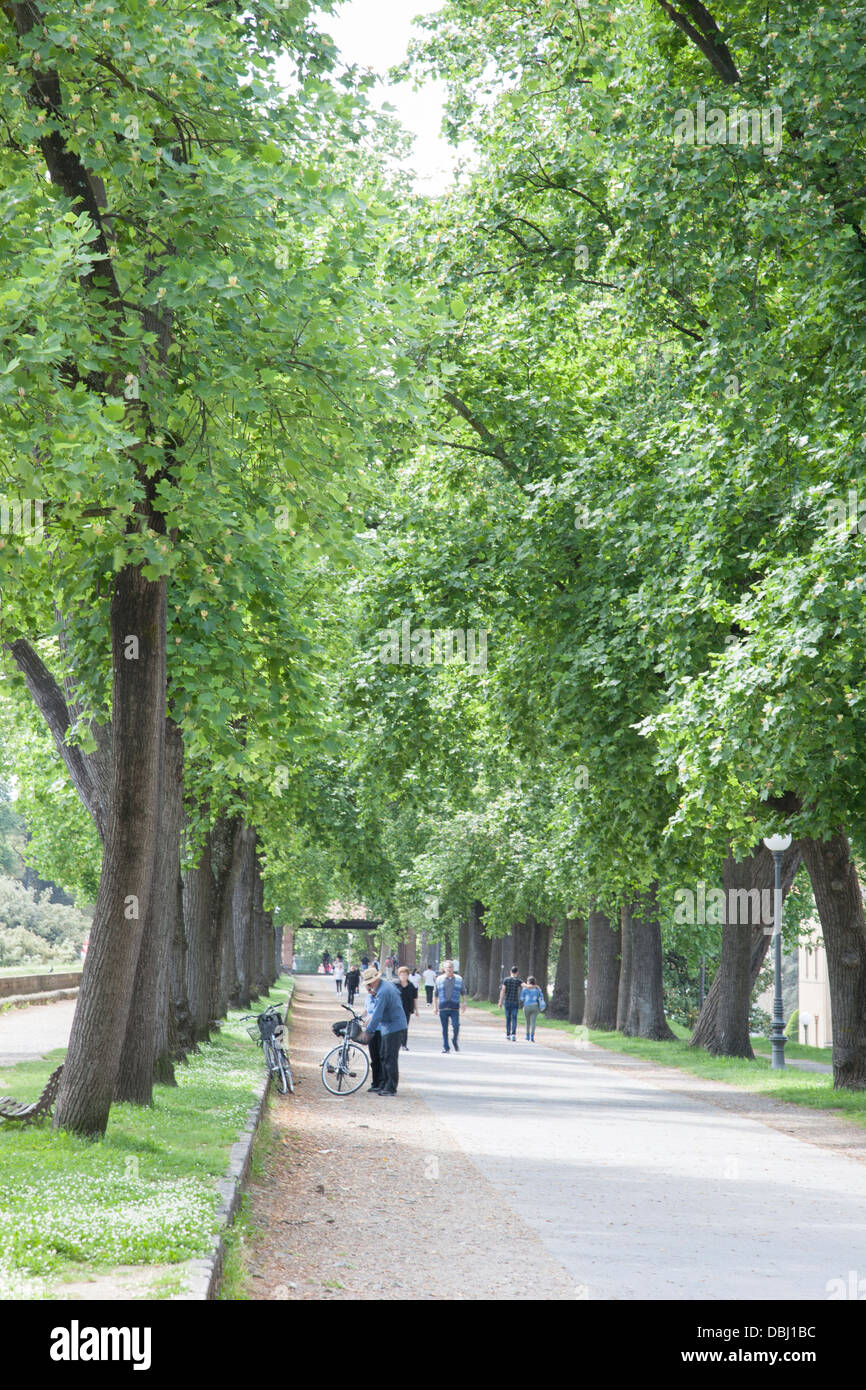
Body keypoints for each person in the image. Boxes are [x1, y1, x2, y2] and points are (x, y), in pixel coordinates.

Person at [358, 966, 404, 1095]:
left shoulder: (383, 991)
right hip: (389, 1026)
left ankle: (391, 1087)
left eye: (369, 984)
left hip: (394, 1026)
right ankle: (384, 1084)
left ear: (373, 981)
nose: (369, 986)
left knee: (390, 1057)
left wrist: (368, 1032)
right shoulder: (384, 987)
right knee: (384, 1055)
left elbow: (377, 1014)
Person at [434, 959, 467, 1053]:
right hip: (443, 1007)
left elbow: (463, 992)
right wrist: (435, 1007)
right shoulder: (439, 979)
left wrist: (464, 1003)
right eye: (448, 967)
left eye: (451, 967)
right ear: (444, 968)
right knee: (444, 1028)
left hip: (454, 1007)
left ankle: (454, 1040)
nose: (449, 969)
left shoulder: (459, 979)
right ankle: (446, 1047)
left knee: (456, 1026)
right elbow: (435, 994)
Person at [395, 965, 419, 1050]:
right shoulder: (395, 985)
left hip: (407, 1009)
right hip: (396, 1010)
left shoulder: (411, 986)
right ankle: (396, 1043)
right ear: (399, 975)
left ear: (408, 975)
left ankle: (404, 1044)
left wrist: (416, 1010)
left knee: (405, 1027)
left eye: (405, 974)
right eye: (402, 974)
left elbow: (415, 998)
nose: (403, 976)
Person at [498, 965, 524, 1042]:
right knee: (514, 1018)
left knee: (508, 1018)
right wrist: (535, 986)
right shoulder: (518, 981)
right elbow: (525, 986)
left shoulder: (506, 980)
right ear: (517, 973)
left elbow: (503, 991)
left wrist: (500, 1002)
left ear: (510, 972)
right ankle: (513, 1034)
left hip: (507, 1002)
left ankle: (508, 1034)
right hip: (515, 1002)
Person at [520, 976, 545, 1041]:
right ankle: (532, 1036)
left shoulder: (525, 989)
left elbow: (522, 998)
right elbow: (541, 997)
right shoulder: (537, 989)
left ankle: (527, 1035)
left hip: (527, 1006)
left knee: (527, 1021)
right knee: (533, 1022)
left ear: (528, 982)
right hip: (535, 1006)